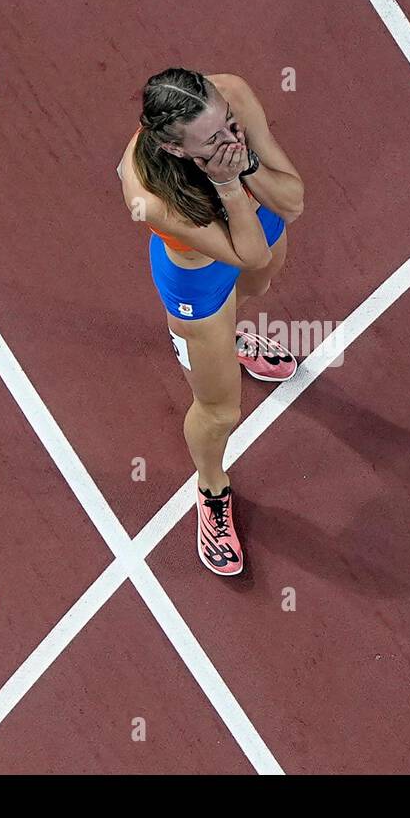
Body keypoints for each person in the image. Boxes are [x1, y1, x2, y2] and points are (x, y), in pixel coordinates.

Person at [118, 68, 305, 576]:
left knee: (259, 289)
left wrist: (241, 165)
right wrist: (228, 178)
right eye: (213, 139)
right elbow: (243, 251)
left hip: (255, 220)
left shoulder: (235, 95)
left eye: (227, 121)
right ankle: (212, 488)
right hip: (199, 282)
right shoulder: (150, 195)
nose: (229, 136)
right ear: (176, 149)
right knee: (220, 410)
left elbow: (291, 200)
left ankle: (232, 339)